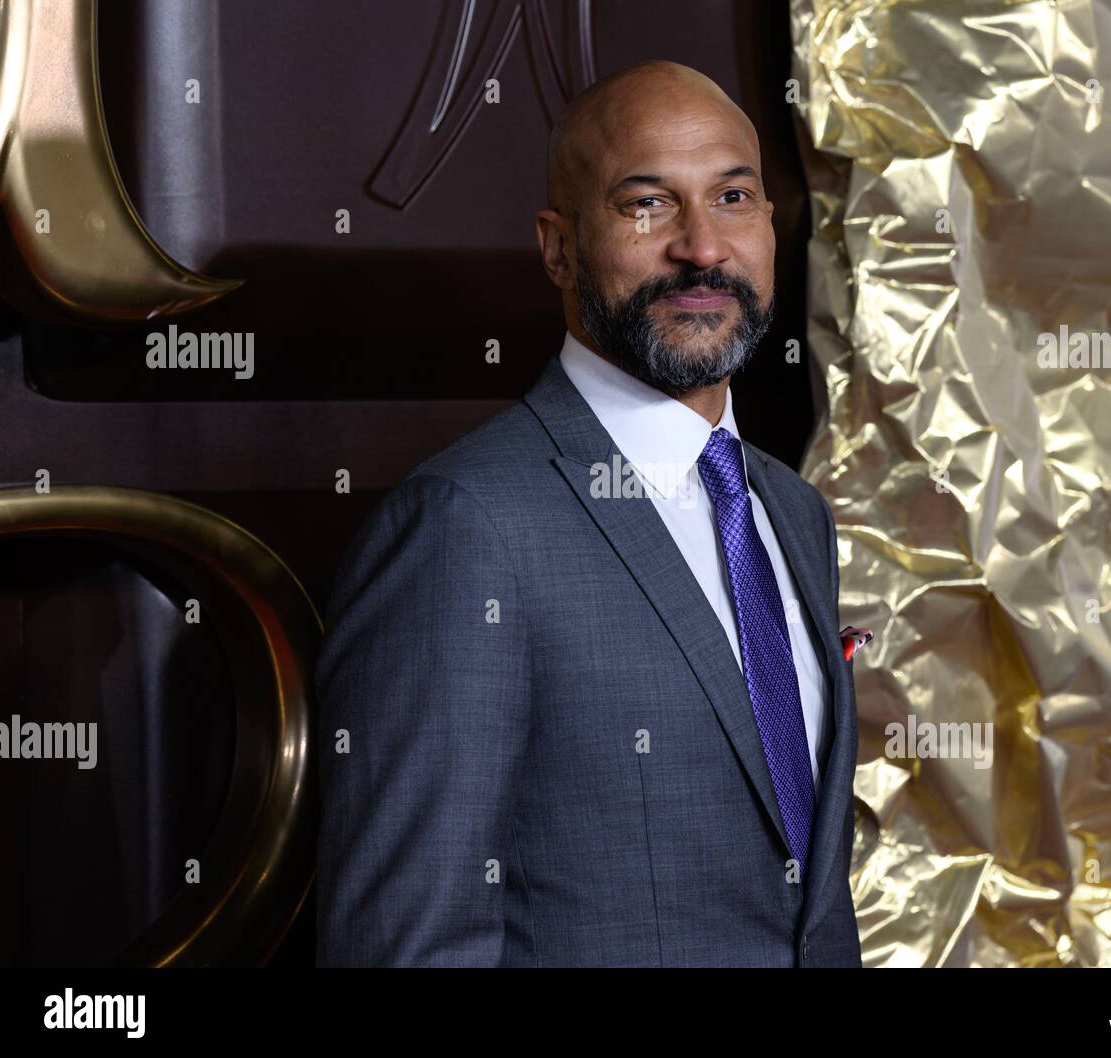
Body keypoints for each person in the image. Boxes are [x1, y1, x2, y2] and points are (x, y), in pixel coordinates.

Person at [315, 59, 862, 967]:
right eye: (647, 203)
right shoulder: (466, 525)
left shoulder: (792, 511)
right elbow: (407, 945)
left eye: (733, 196)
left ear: (770, 224)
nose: (701, 246)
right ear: (558, 247)